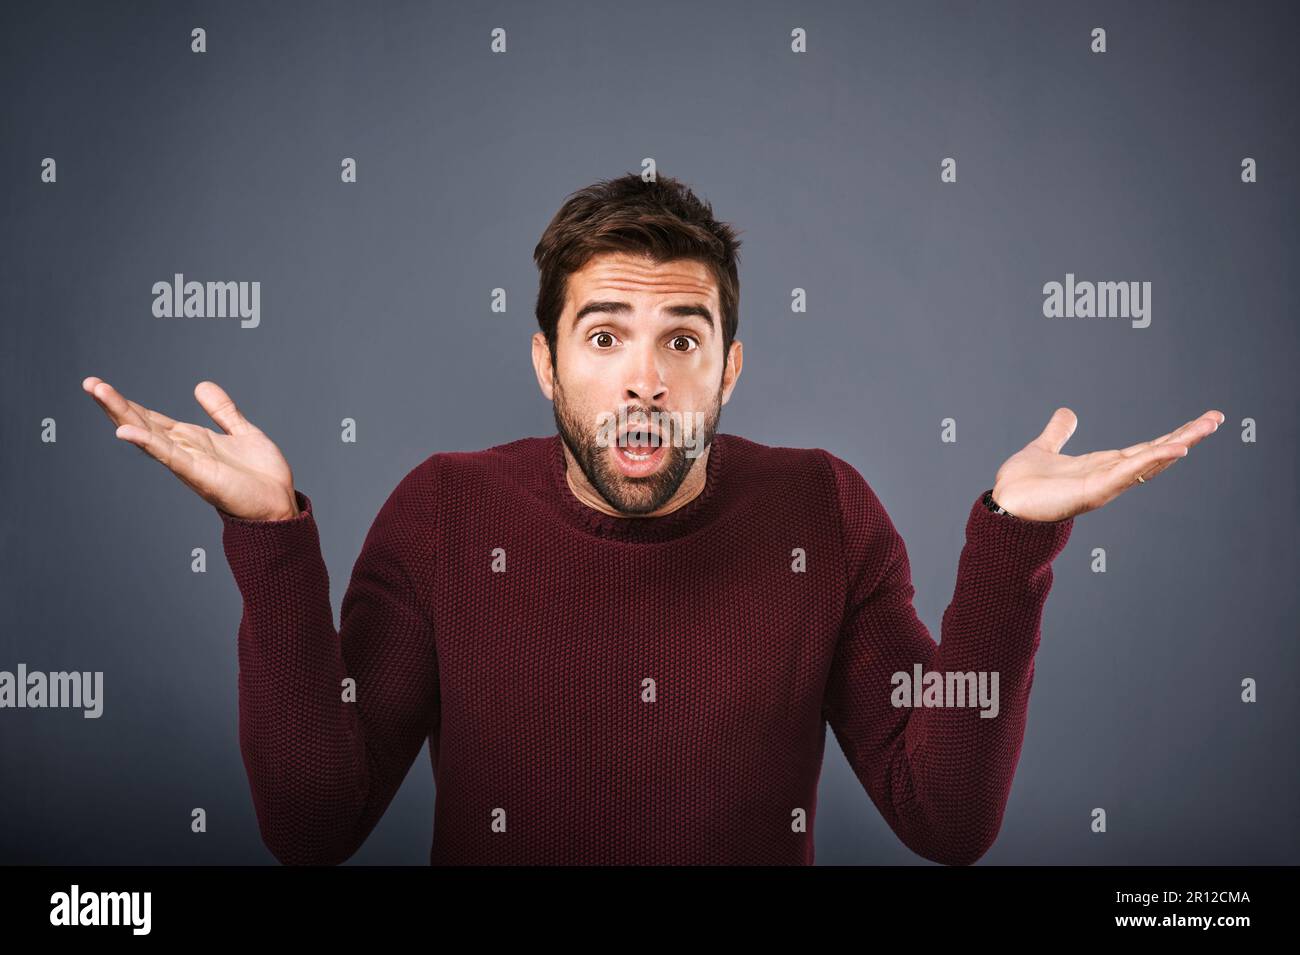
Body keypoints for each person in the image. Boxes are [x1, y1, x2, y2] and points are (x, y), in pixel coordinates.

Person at [82, 173, 1223, 865]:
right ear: (545, 363)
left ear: (728, 371)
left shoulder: (822, 511)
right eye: (603, 334)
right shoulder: (442, 513)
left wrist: (1010, 542)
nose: (642, 380)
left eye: (680, 339)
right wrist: (274, 541)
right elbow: (311, 828)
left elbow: (944, 817)